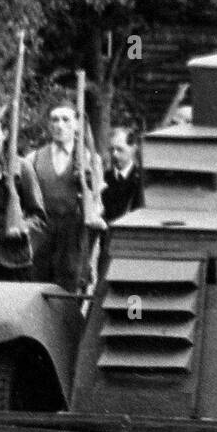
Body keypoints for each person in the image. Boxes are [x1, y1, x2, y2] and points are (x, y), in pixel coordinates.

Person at [26, 102, 104, 293]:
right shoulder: (33, 158)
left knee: (70, 290)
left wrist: (90, 211)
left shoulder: (90, 159)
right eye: (54, 120)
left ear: (77, 124)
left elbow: (98, 203)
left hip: (73, 236)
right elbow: (25, 200)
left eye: (65, 120)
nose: (59, 125)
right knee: (37, 289)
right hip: (42, 234)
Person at [0, 119, 46, 283]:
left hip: (12, 258)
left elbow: (39, 218)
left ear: (4, 135)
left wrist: (22, 227)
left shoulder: (21, 168)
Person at [98, 127, 145, 282]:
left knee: (132, 295)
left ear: (133, 149)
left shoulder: (142, 182)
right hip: (107, 248)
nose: (114, 155)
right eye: (111, 150)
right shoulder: (104, 179)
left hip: (133, 249)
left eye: (120, 150)